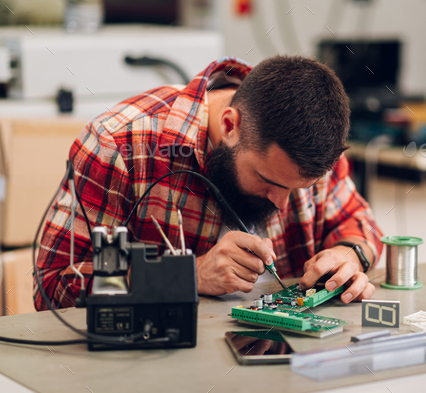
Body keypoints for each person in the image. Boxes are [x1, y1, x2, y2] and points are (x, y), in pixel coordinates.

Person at [34, 55, 383, 311]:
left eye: (298, 189)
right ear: (231, 126)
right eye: (267, 180)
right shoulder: (121, 144)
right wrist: (189, 275)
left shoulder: (311, 147)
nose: (281, 203)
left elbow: (359, 222)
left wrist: (348, 254)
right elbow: (53, 287)